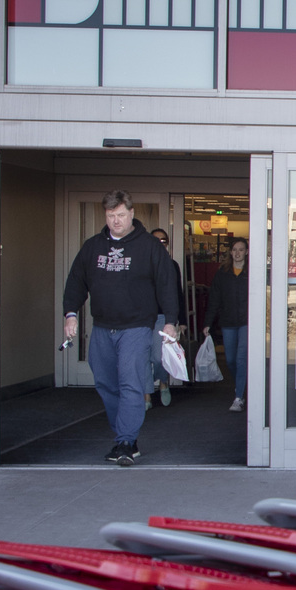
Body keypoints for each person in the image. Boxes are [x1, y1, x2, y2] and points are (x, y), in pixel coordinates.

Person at [63, 191, 180, 465]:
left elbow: (167, 286)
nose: (116, 221)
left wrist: (172, 322)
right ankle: (125, 436)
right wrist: (70, 315)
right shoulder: (92, 247)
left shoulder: (150, 246)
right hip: (103, 327)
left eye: (121, 215)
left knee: (130, 383)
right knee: (106, 383)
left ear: (131, 213)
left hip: (136, 327)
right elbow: (75, 282)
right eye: (111, 216)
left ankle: (126, 441)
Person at [206, 238, 250, 412]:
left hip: (247, 322)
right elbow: (214, 299)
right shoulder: (222, 273)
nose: (237, 253)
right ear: (230, 253)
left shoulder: (252, 271)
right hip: (228, 322)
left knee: (241, 359)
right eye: (234, 250)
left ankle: (239, 396)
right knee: (230, 360)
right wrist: (207, 323)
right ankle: (241, 385)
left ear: (247, 252)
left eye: (241, 249)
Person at [146, 228, 185, 407]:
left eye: (164, 241)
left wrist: (181, 321)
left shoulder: (172, 265)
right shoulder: (141, 264)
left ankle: (163, 382)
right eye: (156, 241)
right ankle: (146, 394)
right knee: (141, 358)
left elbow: (178, 293)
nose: (161, 244)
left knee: (157, 357)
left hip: (162, 316)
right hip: (141, 317)